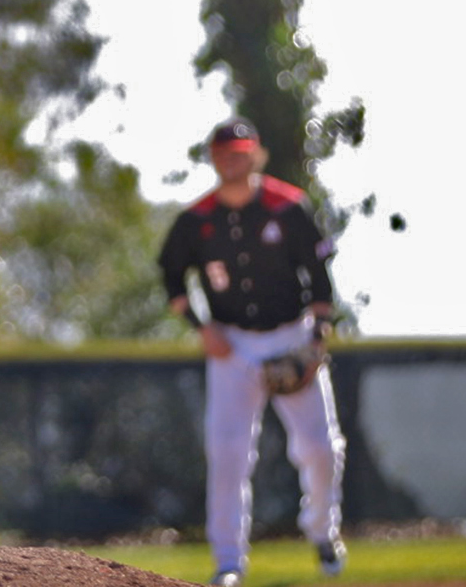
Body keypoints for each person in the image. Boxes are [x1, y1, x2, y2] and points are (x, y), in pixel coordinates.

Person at [158, 118, 349, 586]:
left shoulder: (289, 207)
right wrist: (200, 328)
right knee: (227, 453)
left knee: (321, 450)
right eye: (224, 152)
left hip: (290, 334)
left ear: (256, 153)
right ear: (213, 158)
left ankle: (322, 530)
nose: (232, 159)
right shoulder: (196, 219)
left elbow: (321, 280)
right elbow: (170, 274)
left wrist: (315, 340)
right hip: (232, 346)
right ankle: (227, 562)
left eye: (240, 151)